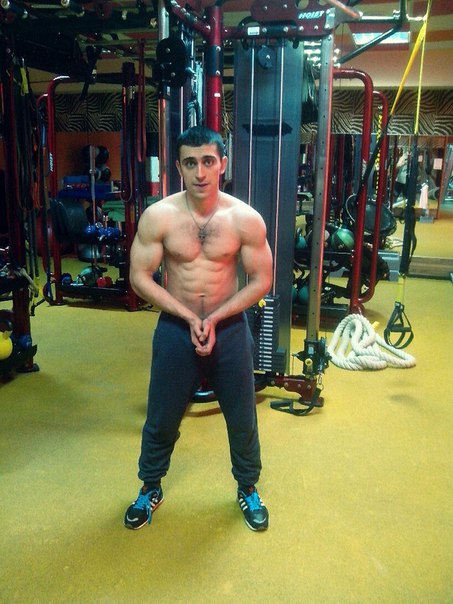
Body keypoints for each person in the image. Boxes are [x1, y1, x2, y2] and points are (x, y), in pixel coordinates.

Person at [124, 125, 273, 532]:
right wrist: (189, 317)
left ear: (222, 164)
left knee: (242, 417)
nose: (200, 172)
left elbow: (262, 279)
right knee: (162, 416)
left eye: (208, 161)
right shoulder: (159, 216)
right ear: (178, 167)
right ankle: (150, 487)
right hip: (176, 327)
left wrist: (216, 317)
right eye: (190, 163)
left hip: (230, 329)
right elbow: (139, 276)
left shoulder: (244, 219)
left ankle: (248, 488)